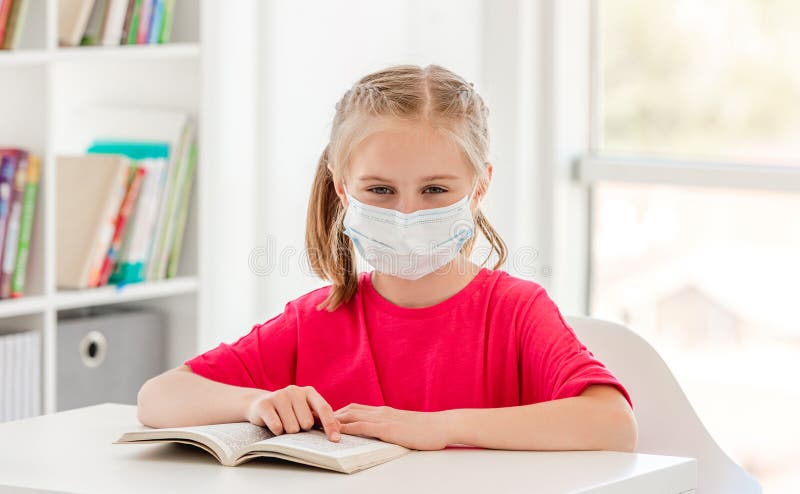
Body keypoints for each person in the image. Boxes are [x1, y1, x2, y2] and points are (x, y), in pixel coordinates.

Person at [137, 64, 637, 452]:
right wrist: (253, 402)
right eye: (379, 189)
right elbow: (158, 397)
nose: (407, 213)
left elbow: (613, 424)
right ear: (342, 186)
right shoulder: (315, 320)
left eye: (435, 189)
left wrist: (442, 427)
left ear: (480, 186)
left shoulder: (514, 312)